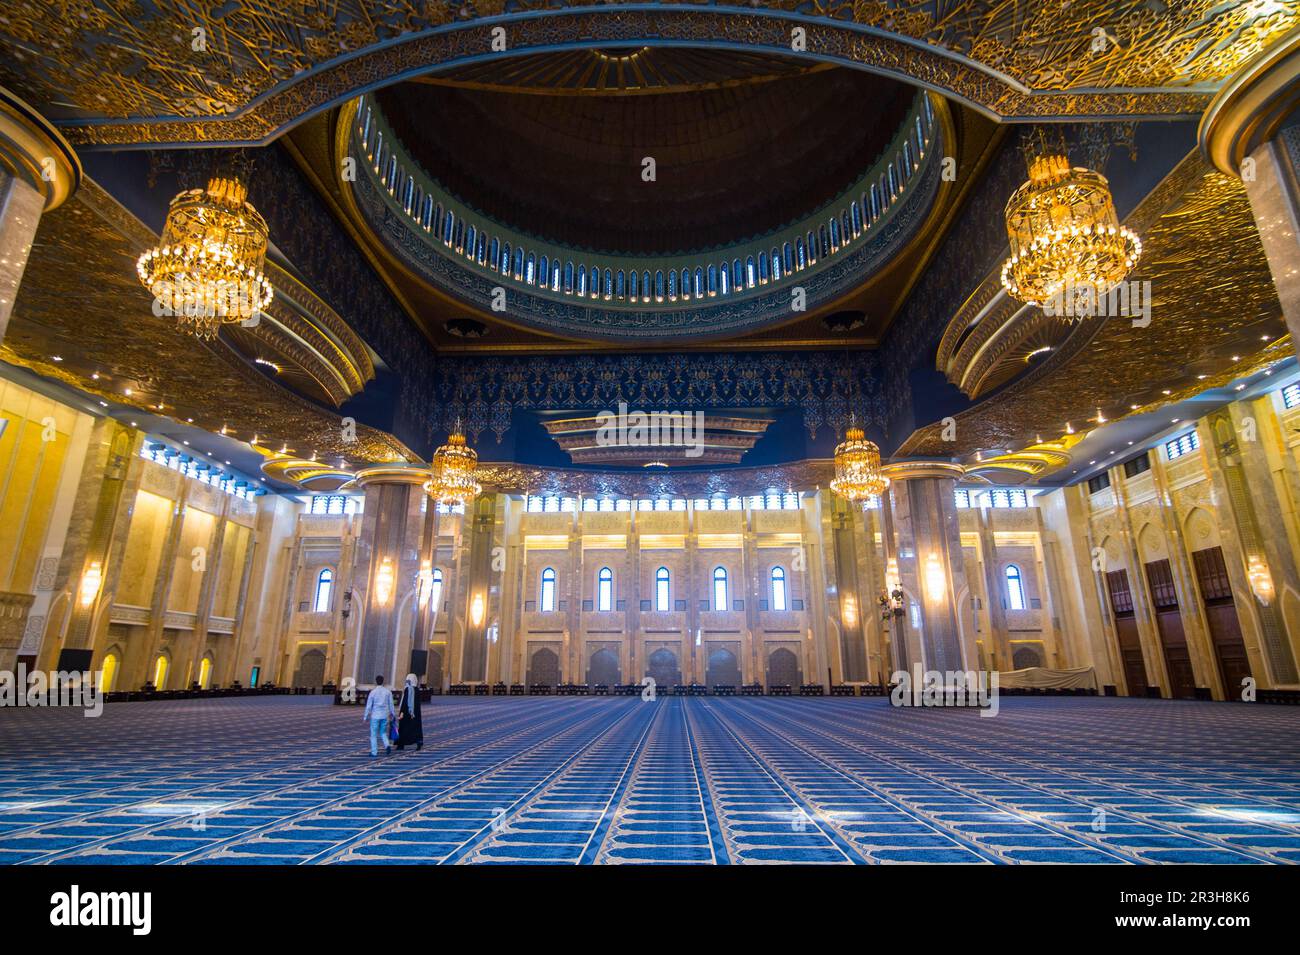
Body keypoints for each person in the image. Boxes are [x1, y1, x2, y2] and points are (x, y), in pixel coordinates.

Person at [363, 676, 396, 757]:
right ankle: (387, 745)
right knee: (383, 732)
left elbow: (369, 706)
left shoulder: (373, 692)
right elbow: (391, 704)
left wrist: (365, 716)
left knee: (373, 734)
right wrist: (393, 714)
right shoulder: (388, 692)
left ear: (376, 681)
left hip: (375, 716)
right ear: (383, 681)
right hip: (385, 715)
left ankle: (374, 752)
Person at [395, 673, 424, 752]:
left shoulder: (408, 689)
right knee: (416, 729)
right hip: (416, 714)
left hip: (407, 713)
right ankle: (418, 743)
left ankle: (401, 745)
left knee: (403, 728)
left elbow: (405, 702)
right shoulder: (417, 690)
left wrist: (402, 713)